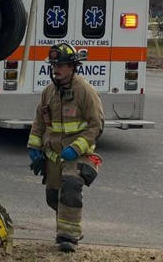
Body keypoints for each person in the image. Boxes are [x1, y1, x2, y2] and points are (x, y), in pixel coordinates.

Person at [27, 43, 104, 253]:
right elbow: (39, 122)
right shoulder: (49, 92)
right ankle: (70, 227)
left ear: (72, 67)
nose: (56, 69)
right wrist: (34, 147)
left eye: (60, 65)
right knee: (54, 197)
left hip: (77, 155)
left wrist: (77, 148)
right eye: (53, 65)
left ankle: (68, 237)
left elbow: (96, 125)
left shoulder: (85, 91)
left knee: (70, 188)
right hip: (53, 156)